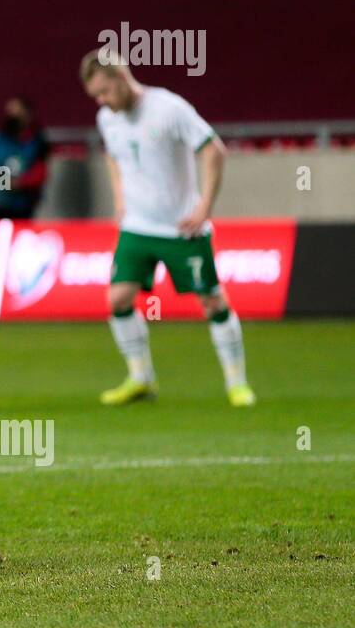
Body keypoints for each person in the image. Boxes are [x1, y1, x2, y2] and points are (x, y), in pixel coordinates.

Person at [81, 49, 255, 407]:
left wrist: (204, 206)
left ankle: (237, 384)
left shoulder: (168, 108)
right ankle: (140, 378)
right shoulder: (107, 119)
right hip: (137, 227)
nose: (102, 102)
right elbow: (112, 155)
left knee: (212, 300)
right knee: (118, 298)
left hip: (181, 228)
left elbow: (213, 150)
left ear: (120, 78)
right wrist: (119, 199)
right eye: (96, 96)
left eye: (104, 92)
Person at [0, 96, 49, 220]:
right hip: (1, 202)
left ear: (27, 113)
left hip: (25, 203)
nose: (13, 116)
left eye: (17, 112)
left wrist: (21, 183)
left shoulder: (37, 140)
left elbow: (41, 170)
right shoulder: (2, 137)